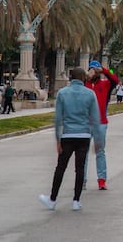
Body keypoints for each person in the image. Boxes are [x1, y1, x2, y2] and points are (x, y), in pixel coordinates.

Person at [38, 67, 101, 212]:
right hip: (84, 135)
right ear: (84, 78)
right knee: (80, 169)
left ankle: (52, 200)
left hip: (67, 135)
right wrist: (97, 140)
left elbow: (58, 119)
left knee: (60, 168)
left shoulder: (62, 93)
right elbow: (95, 119)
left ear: (70, 78)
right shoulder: (90, 94)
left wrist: (58, 139)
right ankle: (76, 201)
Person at [84, 60, 119, 191]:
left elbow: (115, 78)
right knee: (84, 153)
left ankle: (102, 180)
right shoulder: (84, 84)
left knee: (100, 152)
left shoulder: (105, 84)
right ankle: (82, 180)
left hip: (100, 124)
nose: (94, 72)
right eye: (92, 69)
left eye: (95, 70)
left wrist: (104, 70)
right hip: (86, 124)